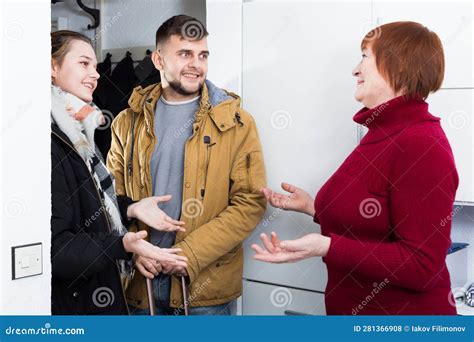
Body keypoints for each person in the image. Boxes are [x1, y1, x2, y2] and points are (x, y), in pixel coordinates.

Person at [252, 21, 458, 315]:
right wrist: (314, 208)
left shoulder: (421, 144)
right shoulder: (383, 131)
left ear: (397, 67)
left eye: (365, 57)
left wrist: (326, 246)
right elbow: (377, 220)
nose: (355, 70)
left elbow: (421, 265)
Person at [107, 15, 267, 315]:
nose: (196, 64)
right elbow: (109, 202)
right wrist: (133, 249)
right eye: (185, 54)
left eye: (202, 55)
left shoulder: (236, 122)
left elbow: (250, 203)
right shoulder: (126, 122)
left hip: (204, 289)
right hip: (142, 281)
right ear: (158, 59)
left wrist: (188, 256)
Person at [51, 30, 188, 315]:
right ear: (52, 67)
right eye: (84, 63)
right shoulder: (50, 139)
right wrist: (122, 244)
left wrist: (131, 208)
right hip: (75, 306)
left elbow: (89, 203)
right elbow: (56, 249)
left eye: (95, 65)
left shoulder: (76, 128)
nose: (96, 74)